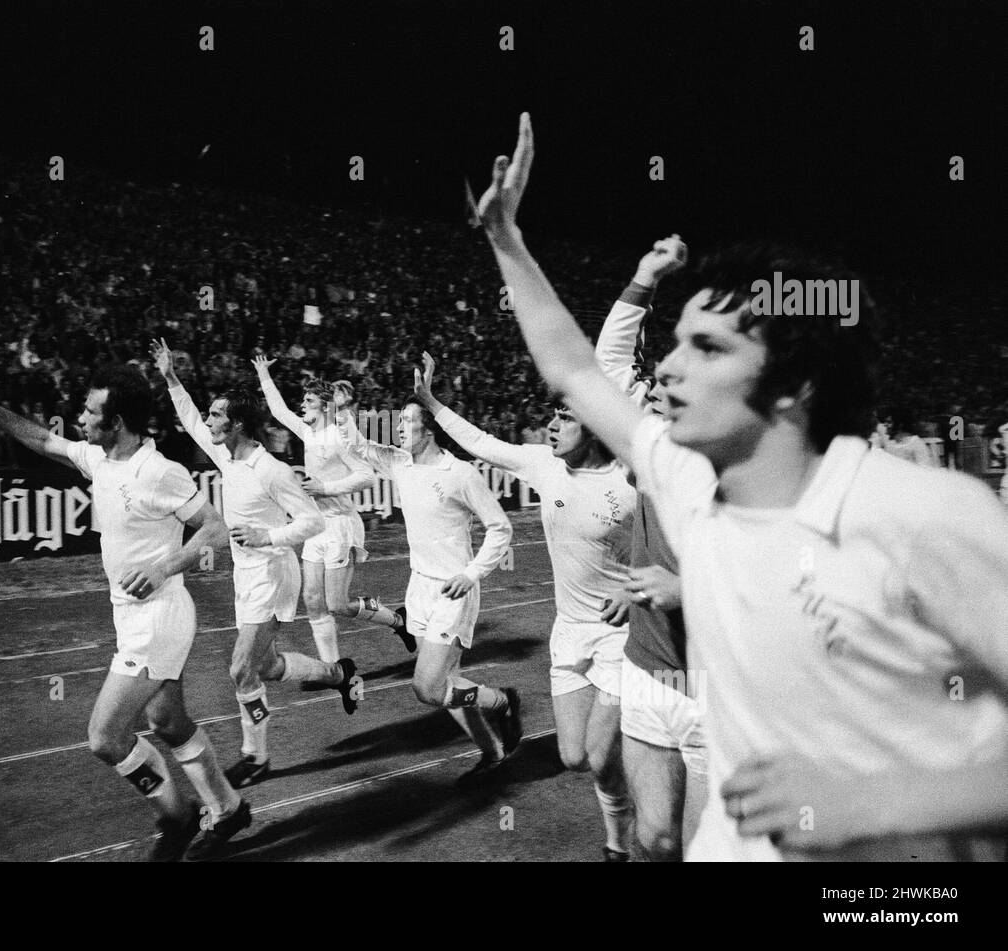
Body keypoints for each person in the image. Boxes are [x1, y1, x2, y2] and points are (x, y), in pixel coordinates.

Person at [475, 112, 1008, 860]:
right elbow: (575, 370)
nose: (666, 368)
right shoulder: (690, 480)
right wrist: (507, 240)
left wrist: (874, 800)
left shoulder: (924, 515)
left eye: (707, 347)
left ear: (794, 385)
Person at [0, 347, 248, 862]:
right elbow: (41, 438)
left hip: (158, 618)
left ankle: (178, 816)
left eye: (90, 412)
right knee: (168, 723)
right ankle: (229, 809)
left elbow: (215, 528)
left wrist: (164, 566)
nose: (79, 418)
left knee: (103, 737)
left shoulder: (159, 471)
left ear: (115, 421)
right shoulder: (99, 458)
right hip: (133, 616)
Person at [414, 352, 636, 857]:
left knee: (602, 758)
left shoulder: (629, 487)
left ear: (597, 429)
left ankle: (619, 846)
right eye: (552, 416)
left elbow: (676, 549)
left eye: (565, 418)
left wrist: (637, 589)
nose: (550, 425)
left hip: (620, 639)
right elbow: (483, 445)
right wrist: (432, 402)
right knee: (575, 756)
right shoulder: (543, 463)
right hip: (569, 632)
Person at [152, 338, 362, 792]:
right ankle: (335, 673)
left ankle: (256, 757)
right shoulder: (227, 458)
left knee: (240, 669)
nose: (208, 421)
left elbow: (311, 522)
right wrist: (171, 378)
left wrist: (268, 535)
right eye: (210, 414)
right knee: (266, 667)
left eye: (217, 416)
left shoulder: (273, 470)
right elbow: (189, 421)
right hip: (246, 574)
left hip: (272, 572)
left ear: (239, 425)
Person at [339, 386, 522, 785]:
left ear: (429, 431)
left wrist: (471, 573)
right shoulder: (401, 463)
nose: (400, 427)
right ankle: (493, 753)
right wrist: (343, 410)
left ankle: (502, 702)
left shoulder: (459, 474)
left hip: (453, 591)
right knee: (448, 683)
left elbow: (499, 527)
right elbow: (357, 447)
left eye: (408, 422)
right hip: (418, 588)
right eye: (399, 421)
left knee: (427, 688)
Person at [592, 236, 708, 861]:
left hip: (720, 683)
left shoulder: (752, 463)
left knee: (706, 850)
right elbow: (604, 367)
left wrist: (689, 587)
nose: (655, 383)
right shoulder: (654, 454)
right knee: (654, 838)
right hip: (649, 666)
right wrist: (644, 277)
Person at [252, 356, 414, 662]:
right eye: (303, 399)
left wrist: (326, 488)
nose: (302, 404)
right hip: (316, 525)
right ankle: (332, 670)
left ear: (325, 406)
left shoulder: (340, 437)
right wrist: (263, 374)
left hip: (340, 524)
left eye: (309, 400)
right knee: (313, 599)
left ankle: (397, 621)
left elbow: (366, 475)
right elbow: (278, 410)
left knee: (338, 604)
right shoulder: (308, 431)